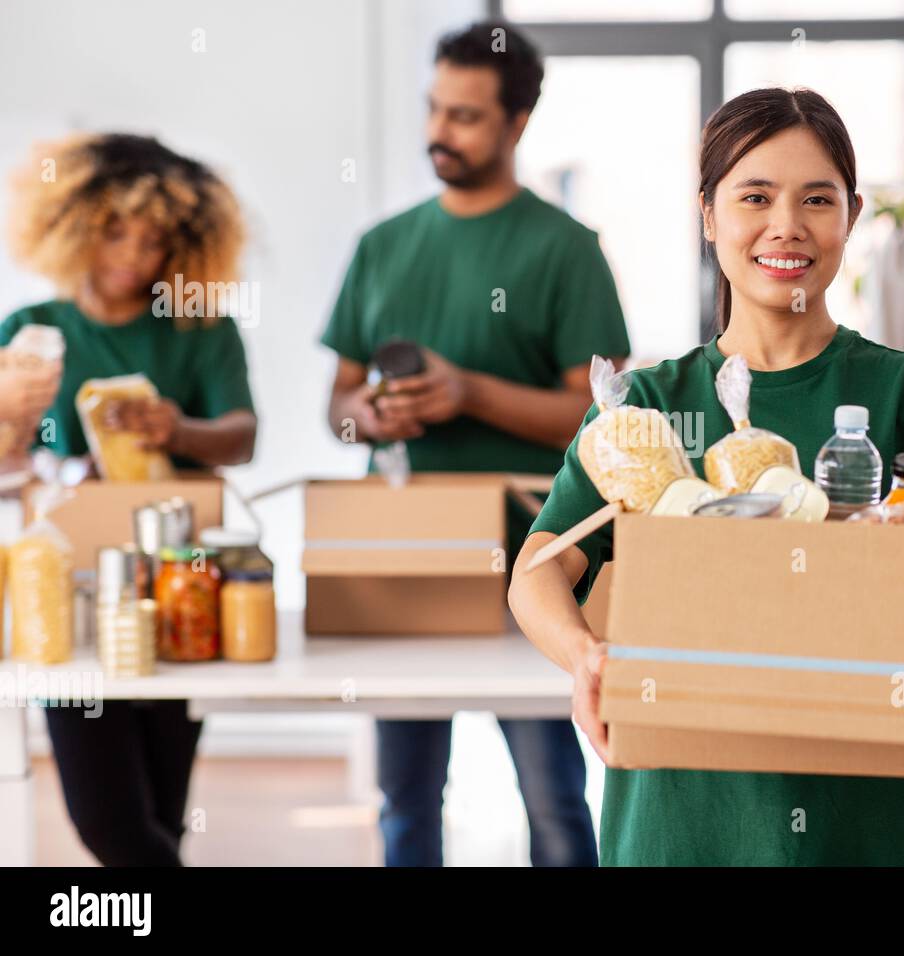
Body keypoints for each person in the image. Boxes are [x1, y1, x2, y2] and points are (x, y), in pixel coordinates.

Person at [510, 87, 904, 866]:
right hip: (681, 820)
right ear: (707, 215)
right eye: (754, 197)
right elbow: (538, 570)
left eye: (817, 199)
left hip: (871, 823)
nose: (786, 226)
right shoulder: (644, 413)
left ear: (853, 215)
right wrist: (583, 656)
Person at [321, 21, 629, 867]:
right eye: (433, 109)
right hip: (406, 558)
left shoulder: (568, 251)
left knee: (556, 803)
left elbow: (602, 420)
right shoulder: (382, 247)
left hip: (535, 561)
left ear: (517, 123)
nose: (438, 133)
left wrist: (468, 393)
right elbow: (337, 406)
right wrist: (373, 416)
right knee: (405, 803)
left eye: (464, 116)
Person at [0, 132, 258, 865]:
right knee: (112, 829)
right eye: (116, 230)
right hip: (67, 600)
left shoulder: (200, 327)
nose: (133, 256)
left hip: (175, 592)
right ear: (74, 224)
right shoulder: (29, 335)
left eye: (154, 241)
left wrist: (176, 427)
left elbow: (241, 437)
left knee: (159, 821)